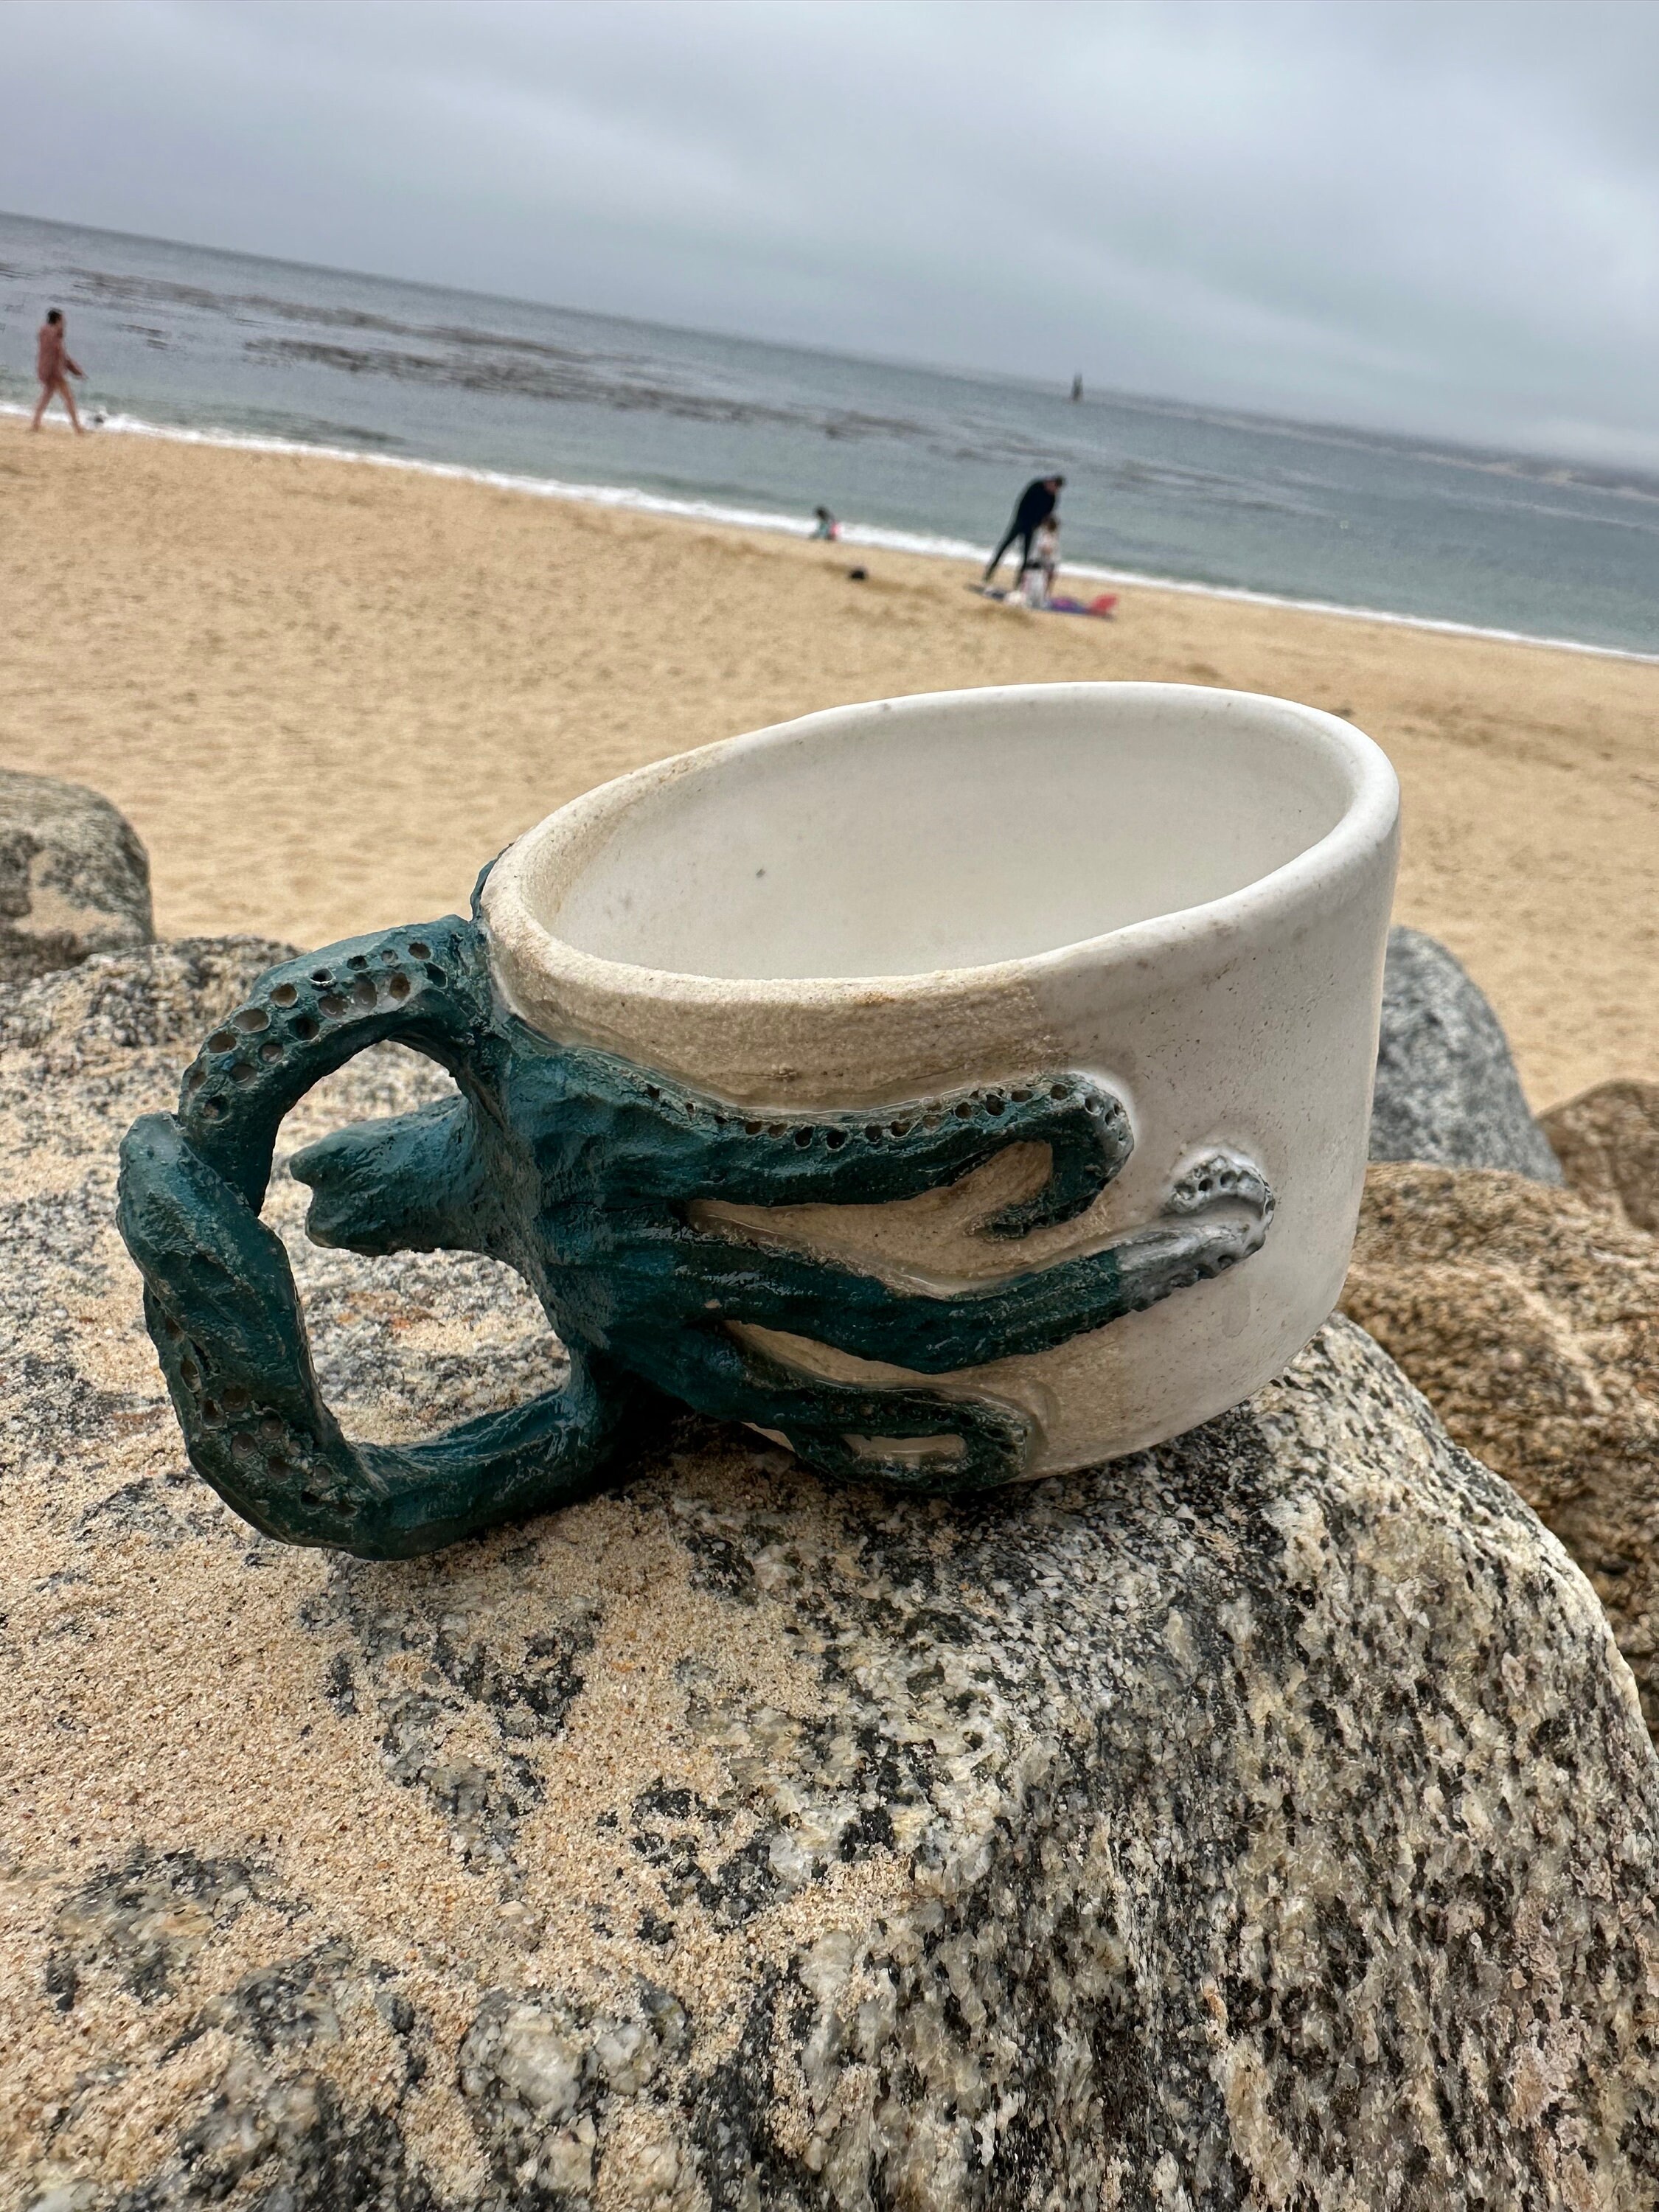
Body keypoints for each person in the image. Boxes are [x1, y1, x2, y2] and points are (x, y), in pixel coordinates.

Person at [984, 473, 1062, 587]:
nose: (1054, 491)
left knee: (1026, 555)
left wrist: (1039, 525)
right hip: (1020, 521)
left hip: (1032, 527)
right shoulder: (1036, 486)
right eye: (1054, 488)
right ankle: (990, 571)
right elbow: (1022, 501)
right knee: (1005, 546)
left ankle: (1019, 581)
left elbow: (1048, 514)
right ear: (1052, 483)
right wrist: (1019, 518)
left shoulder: (1053, 498)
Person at [31, 310, 86, 434]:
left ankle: (35, 423)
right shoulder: (55, 336)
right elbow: (62, 357)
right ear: (57, 321)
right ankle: (77, 428)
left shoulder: (44, 333)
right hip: (54, 372)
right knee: (69, 399)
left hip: (45, 370)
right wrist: (77, 372)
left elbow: (50, 356)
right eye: (62, 320)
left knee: (46, 397)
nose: (64, 322)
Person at [1020, 515, 1060, 607]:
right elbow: (1045, 548)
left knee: (1044, 582)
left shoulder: (1047, 535)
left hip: (1046, 563)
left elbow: (1046, 549)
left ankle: (1042, 598)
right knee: (1041, 582)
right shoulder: (1047, 536)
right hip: (1044, 563)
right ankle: (1041, 599)